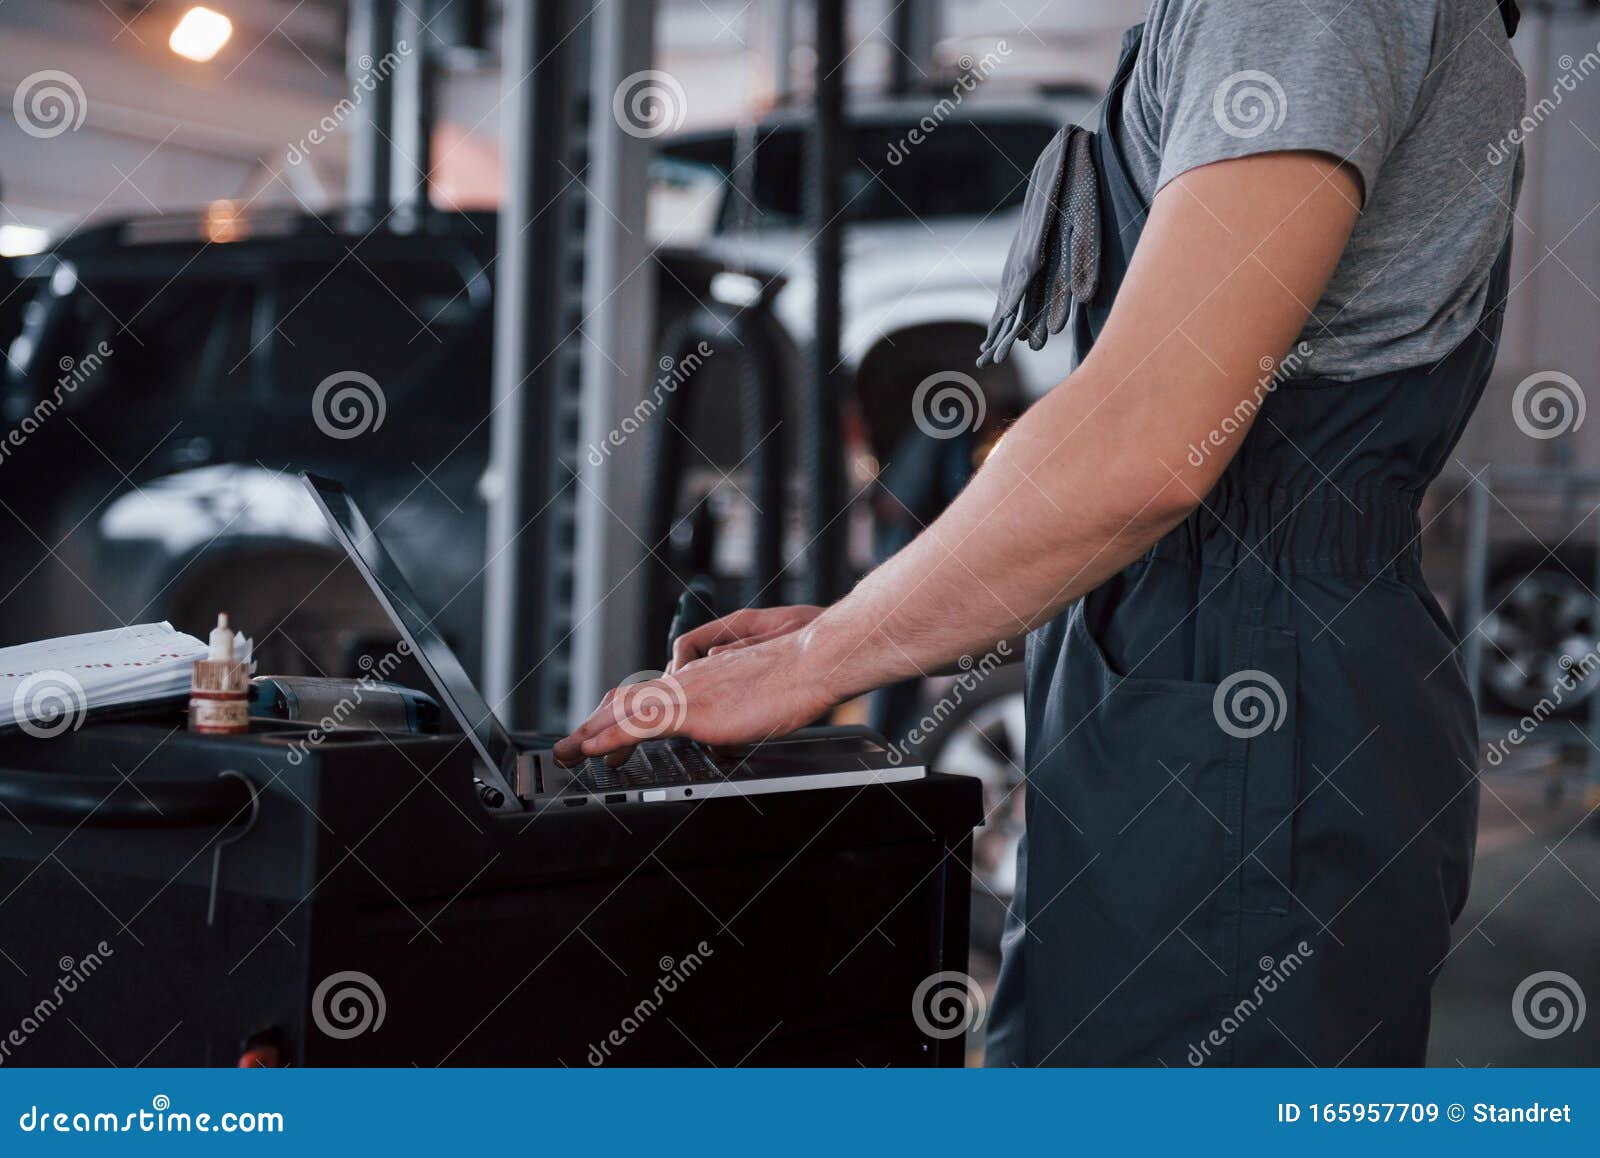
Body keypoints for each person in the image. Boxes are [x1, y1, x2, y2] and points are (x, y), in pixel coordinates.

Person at [556, 0, 1527, 1065]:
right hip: (1228, 683)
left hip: (1244, 719)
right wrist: (884, 612)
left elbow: (1143, 451)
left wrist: (817, 661)